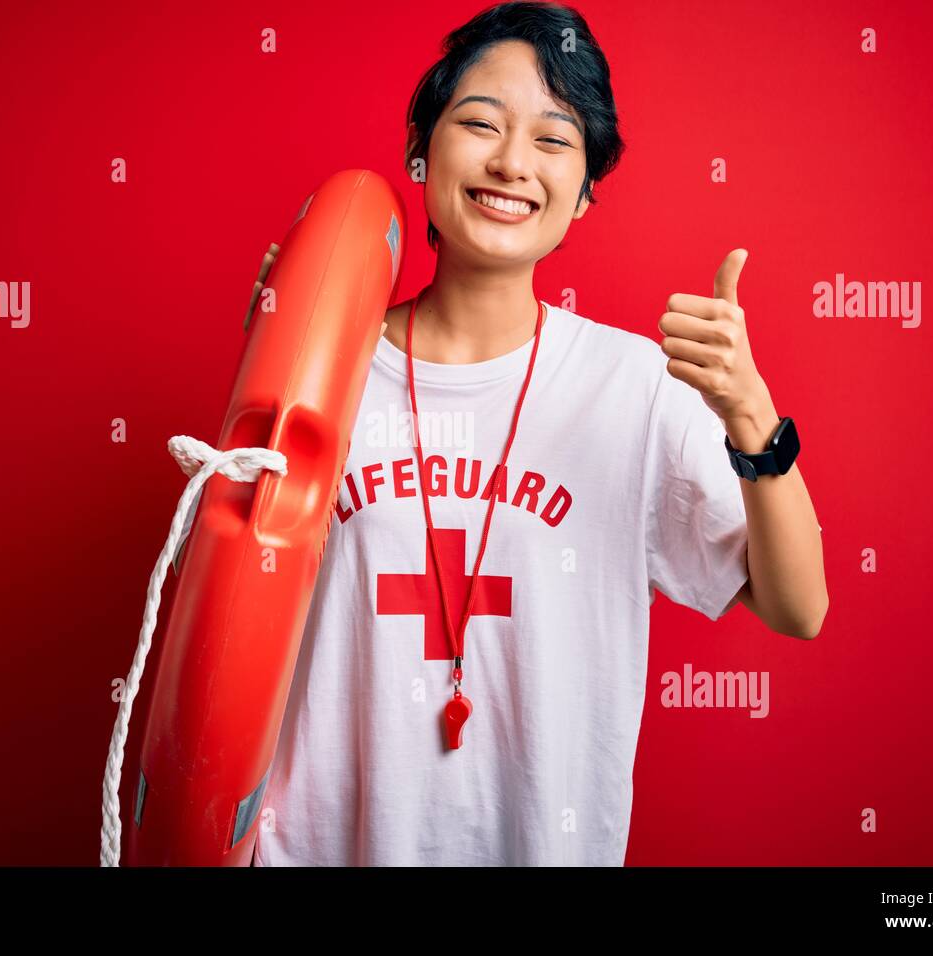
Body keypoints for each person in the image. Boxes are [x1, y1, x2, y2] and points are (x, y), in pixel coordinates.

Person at [252, 0, 827, 866]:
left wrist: (753, 419)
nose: (512, 161)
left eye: (555, 140)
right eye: (480, 122)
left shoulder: (633, 387)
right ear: (420, 149)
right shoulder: (316, 366)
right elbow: (232, 606)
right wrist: (274, 343)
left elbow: (800, 608)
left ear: (586, 191)